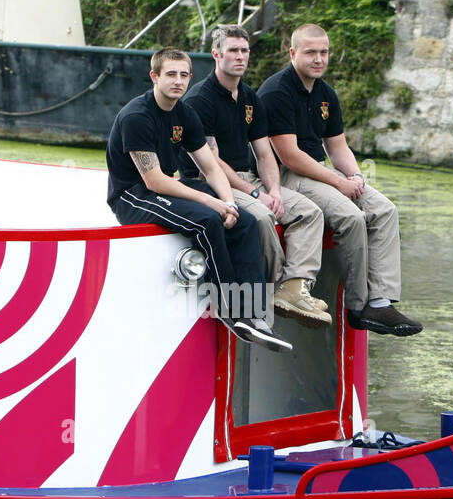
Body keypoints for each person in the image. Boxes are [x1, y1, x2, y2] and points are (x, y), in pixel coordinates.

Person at [106, 47, 292, 352]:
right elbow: (154, 180)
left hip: (167, 187)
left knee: (245, 221)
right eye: (170, 74)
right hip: (133, 196)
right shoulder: (136, 117)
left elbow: (210, 165)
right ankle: (231, 311)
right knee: (207, 221)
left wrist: (229, 201)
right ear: (154, 76)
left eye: (183, 75)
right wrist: (213, 204)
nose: (178, 81)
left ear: (190, 77)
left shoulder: (185, 114)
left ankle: (256, 315)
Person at [258, 23, 423, 337]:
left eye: (324, 52)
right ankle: (359, 308)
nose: (319, 59)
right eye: (311, 52)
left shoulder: (325, 94)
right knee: (351, 216)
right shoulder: (276, 91)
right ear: (293, 53)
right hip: (288, 174)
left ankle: (381, 300)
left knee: (385, 210)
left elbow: (337, 146)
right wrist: (337, 183)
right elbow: (290, 155)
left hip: (320, 170)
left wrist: (355, 175)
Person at [181, 25, 331, 329]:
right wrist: (254, 194)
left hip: (252, 179)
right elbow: (211, 162)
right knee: (262, 217)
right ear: (216, 54)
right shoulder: (200, 99)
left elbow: (265, 154)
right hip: (211, 182)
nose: (240, 57)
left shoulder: (250, 98)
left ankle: (294, 288)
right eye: (233, 51)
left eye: (244, 51)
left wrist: (274, 188)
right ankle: (273, 289)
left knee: (309, 212)